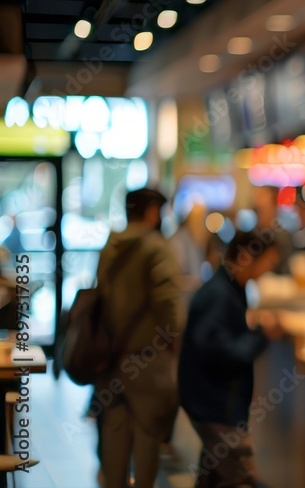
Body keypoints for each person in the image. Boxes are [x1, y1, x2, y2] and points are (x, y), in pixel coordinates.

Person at [179, 230, 284, 488]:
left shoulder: (228, 288)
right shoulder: (220, 294)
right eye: (267, 264)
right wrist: (260, 334)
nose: (265, 273)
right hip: (216, 403)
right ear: (247, 257)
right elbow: (222, 351)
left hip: (212, 401)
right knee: (240, 476)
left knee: (213, 475)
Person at [94, 187, 182, 488]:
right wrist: (176, 342)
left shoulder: (110, 245)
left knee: (114, 432)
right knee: (147, 437)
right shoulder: (156, 247)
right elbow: (169, 305)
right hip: (147, 360)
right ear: (151, 212)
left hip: (110, 358)